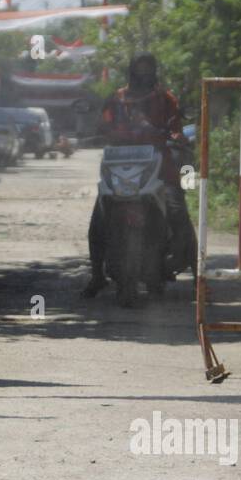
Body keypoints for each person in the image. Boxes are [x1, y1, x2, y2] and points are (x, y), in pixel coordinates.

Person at [81, 52, 196, 298]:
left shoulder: (166, 99)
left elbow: (175, 128)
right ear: (132, 70)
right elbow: (103, 123)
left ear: (154, 71)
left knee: (178, 213)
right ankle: (97, 275)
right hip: (120, 167)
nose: (144, 73)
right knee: (98, 218)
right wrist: (104, 130)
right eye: (139, 68)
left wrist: (176, 136)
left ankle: (198, 277)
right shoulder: (116, 99)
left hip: (159, 167)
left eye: (148, 68)